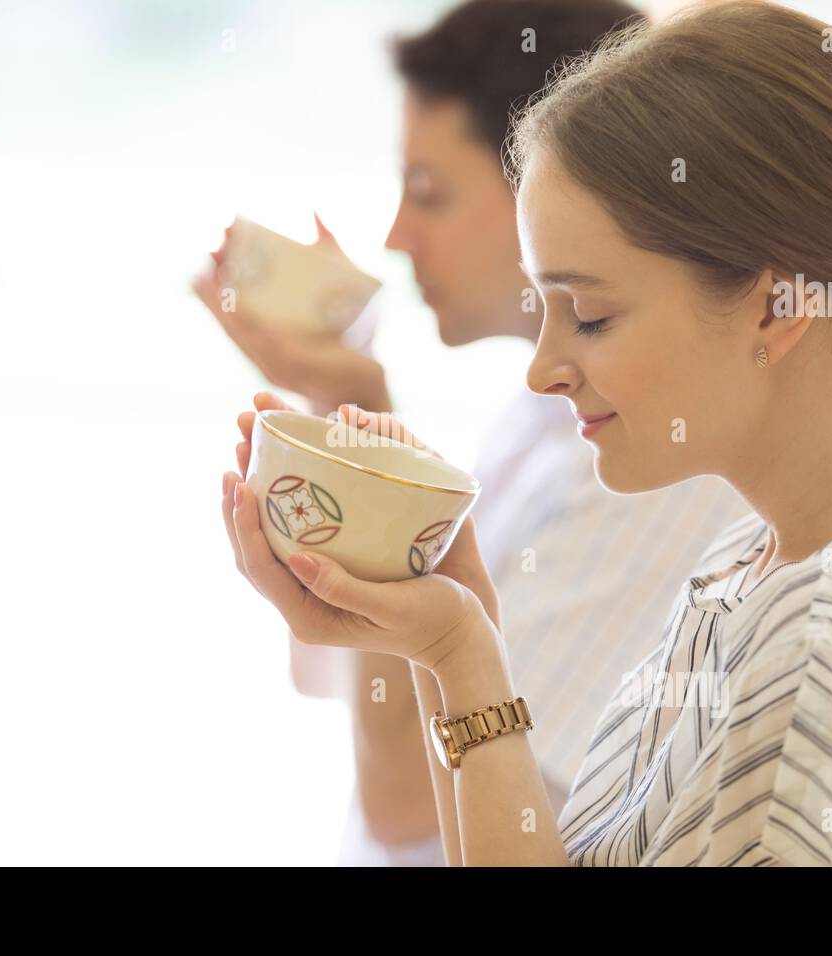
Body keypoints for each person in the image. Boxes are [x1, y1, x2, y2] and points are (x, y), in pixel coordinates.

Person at [220, 0, 832, 866]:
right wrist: (455, 647)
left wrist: (457, 650)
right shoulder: (762, 565)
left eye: (593, 316)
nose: (544, 370)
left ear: (778, 303)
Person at [200, 0, 748, 865]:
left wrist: (375, 489)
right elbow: (332, 667)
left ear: (551, 187)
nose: (394, 236)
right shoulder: (545, 410)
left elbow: (408, 806)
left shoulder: (657, 467)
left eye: (429, 193)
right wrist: (337, 428)